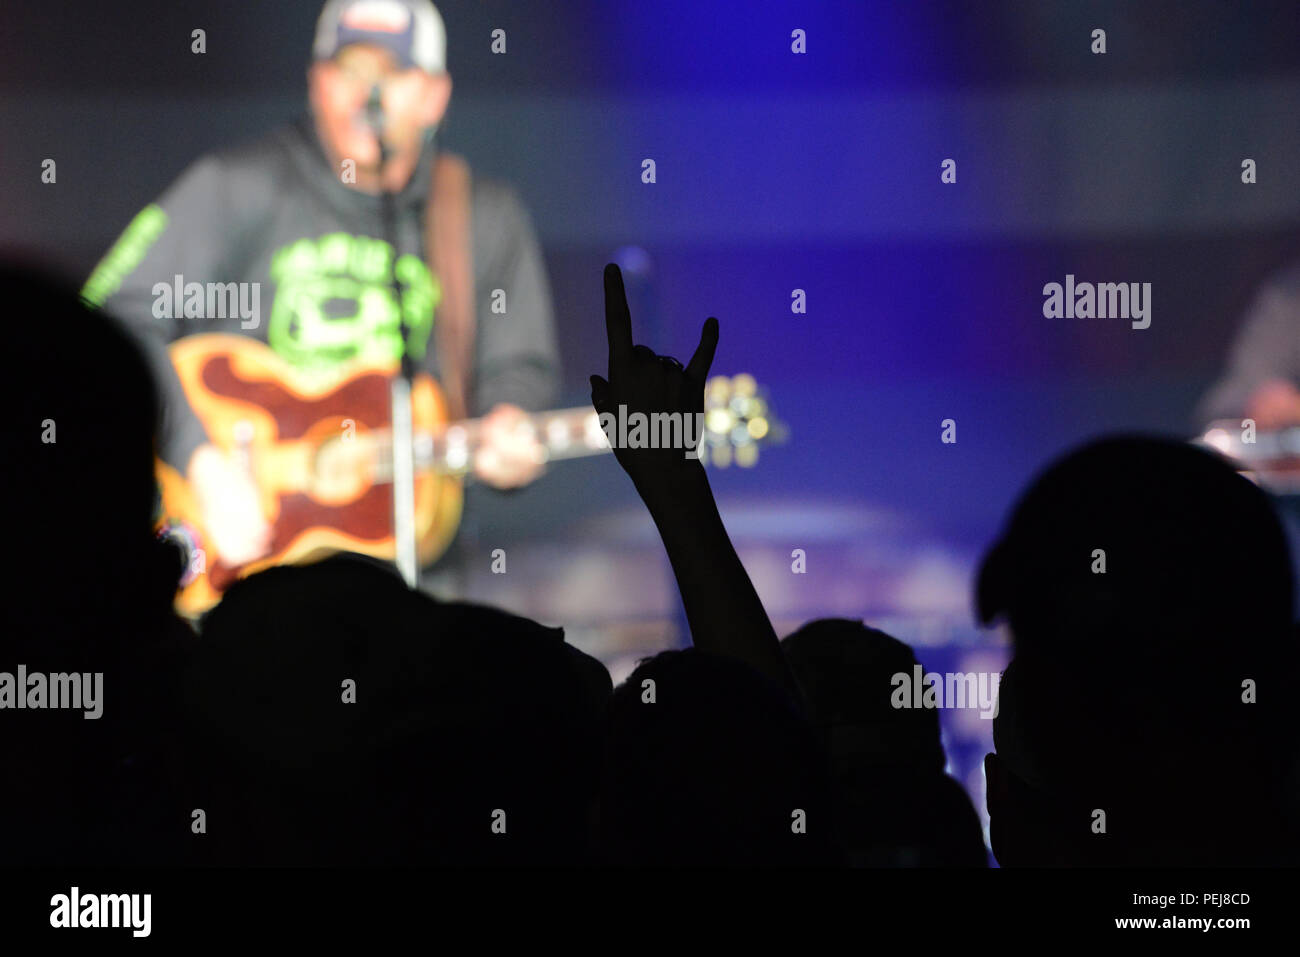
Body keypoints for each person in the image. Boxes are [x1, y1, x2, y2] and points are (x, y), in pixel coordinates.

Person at [82, 0, 559, 588]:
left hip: (414, 580)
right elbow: (110, 314)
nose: (367, 95)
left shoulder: (481, 216)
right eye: (350, 70)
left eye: (392, 73)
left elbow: (518, 372)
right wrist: (200, 462)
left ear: (435, 96)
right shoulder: (236, 186)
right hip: (245, 576)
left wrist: (509, 426)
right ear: (316, 82)